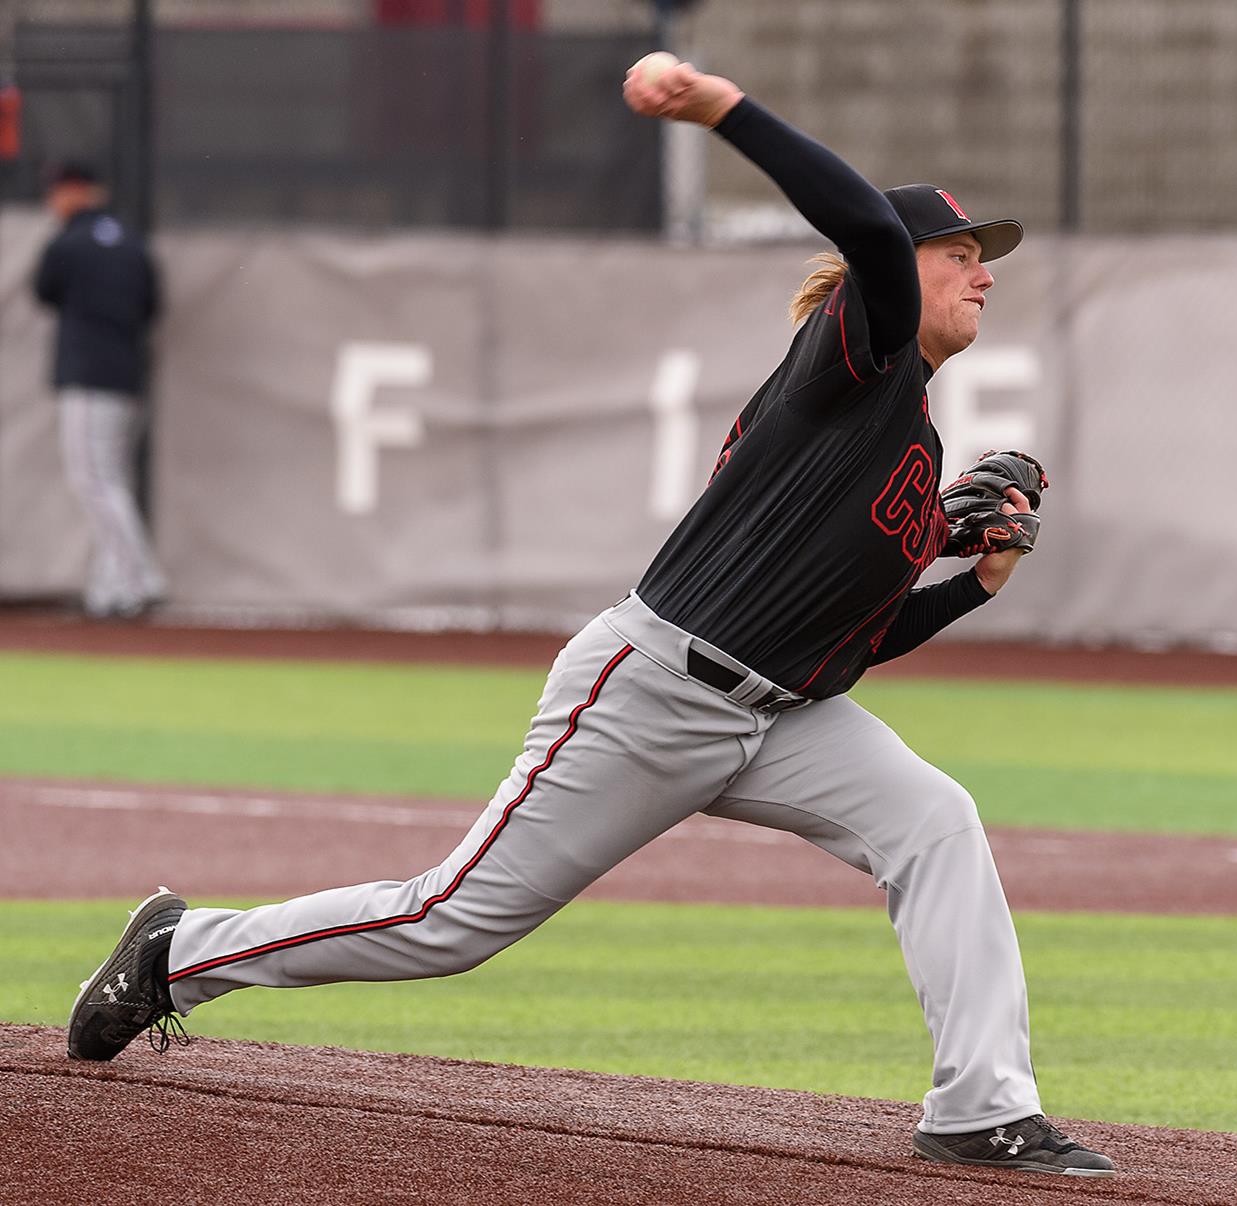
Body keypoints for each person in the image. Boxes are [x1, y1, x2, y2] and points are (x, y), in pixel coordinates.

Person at [65, 59, 1115, 1179]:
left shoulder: (906, 441)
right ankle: (179, 954)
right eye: (959, 253)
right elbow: (861, 223)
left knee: (936, 822)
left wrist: (972, 583)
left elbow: (851, 642)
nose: (982, 273)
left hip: (783, 714)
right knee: (448, 922)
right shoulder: (859, 355)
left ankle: (979, 1109)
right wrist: (721, 110)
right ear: (897, 272)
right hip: (655, 690)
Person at [32, 160, 168, 620]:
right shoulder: (132, 242)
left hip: (89, 380)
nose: (52, 202)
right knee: (112, 483)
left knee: (94, 482)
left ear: (72, 191)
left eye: (56, 192)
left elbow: (44, 291)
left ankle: (139, 579)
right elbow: (152, 305)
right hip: (130, 378)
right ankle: (109, 591)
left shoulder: (68, 243)